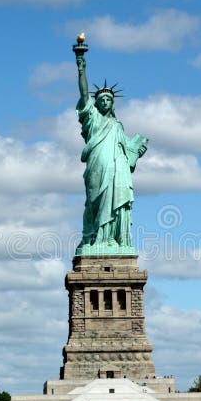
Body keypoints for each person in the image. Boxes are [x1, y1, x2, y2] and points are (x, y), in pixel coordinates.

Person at [75, 46, 148, 252]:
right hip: (97, 167)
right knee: (95, 201)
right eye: (102, 99)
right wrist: (81, 68)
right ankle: (96, 238)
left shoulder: (117, 126)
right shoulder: (93, 118)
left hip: (117, 171)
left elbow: (129, 152)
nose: (105, 101)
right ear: (96, 103)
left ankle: (112, 239)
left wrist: (136, 152)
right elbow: (83, 95)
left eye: (109, 99)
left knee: (117, 200)